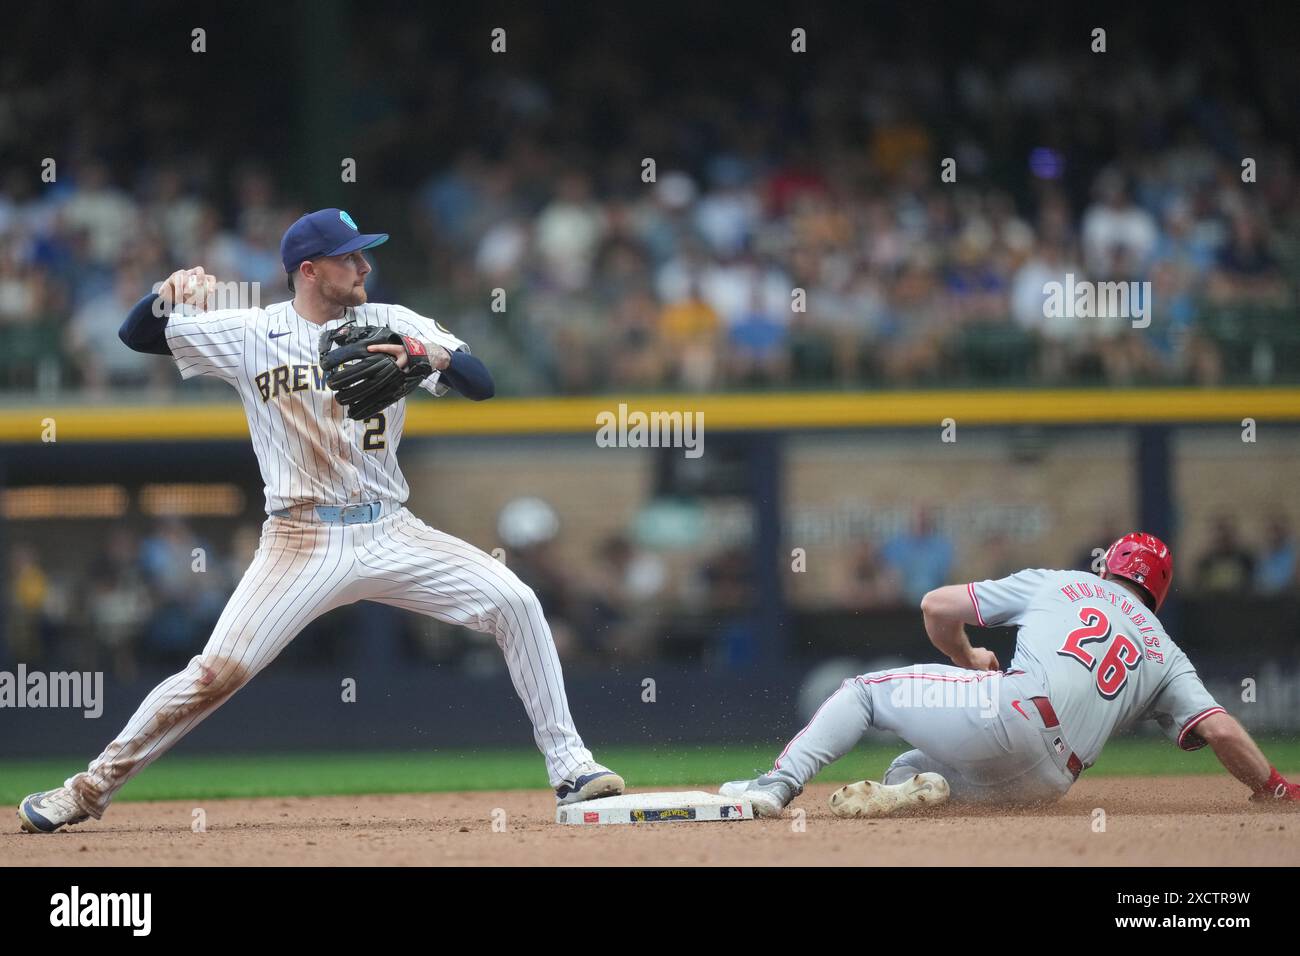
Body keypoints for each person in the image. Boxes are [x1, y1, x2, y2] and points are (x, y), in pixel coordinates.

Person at [17, 208, 623, 834]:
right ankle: (86, 790)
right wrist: (162, 296)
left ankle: (571, 765)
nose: (364, 266)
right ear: (309, 271)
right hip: (299, 539)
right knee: (214, 673)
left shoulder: (391, 320)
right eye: (349, 258)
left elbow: (482, 382)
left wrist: (428, 352)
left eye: (364, 254)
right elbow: (136, 336)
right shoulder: (253, 331)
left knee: (516, 600)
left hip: (392, 528)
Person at [720, 532, 1299, 817]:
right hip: (1049, 782)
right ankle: (918, 788)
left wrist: (969, 657)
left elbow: (934, 606)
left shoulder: (1061, 582)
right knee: (917, 768)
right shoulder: (1166, 650)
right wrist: (1272, 785)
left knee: (864, 693)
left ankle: (776, 786)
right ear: (1160, 592)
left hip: (1011, 713)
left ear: (1111, 565)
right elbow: (1221, 730)